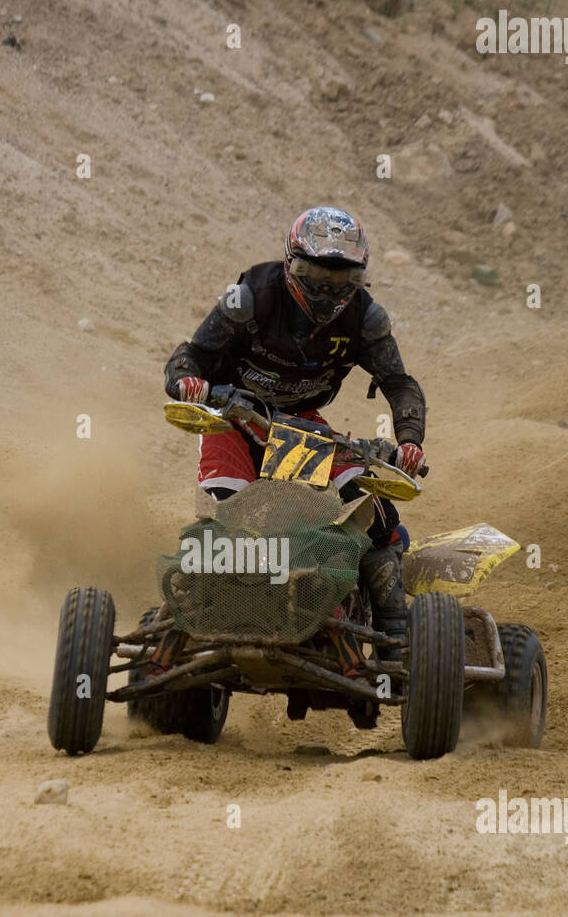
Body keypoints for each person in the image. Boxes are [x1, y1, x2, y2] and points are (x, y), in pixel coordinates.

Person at [163, 205, 427, 641]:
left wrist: (410, 440)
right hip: (233, 422)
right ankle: (193, 621)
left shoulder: (365, 318)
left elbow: (399, 384)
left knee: (373, 517)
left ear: (359, 277)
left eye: (342, 280)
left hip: (302, 428)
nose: (328, 290)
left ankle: (394, 639)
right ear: (291, 264)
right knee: (225, 522)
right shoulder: (248, 297)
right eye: (317, 276)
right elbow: (190, 355)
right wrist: (189, 382)